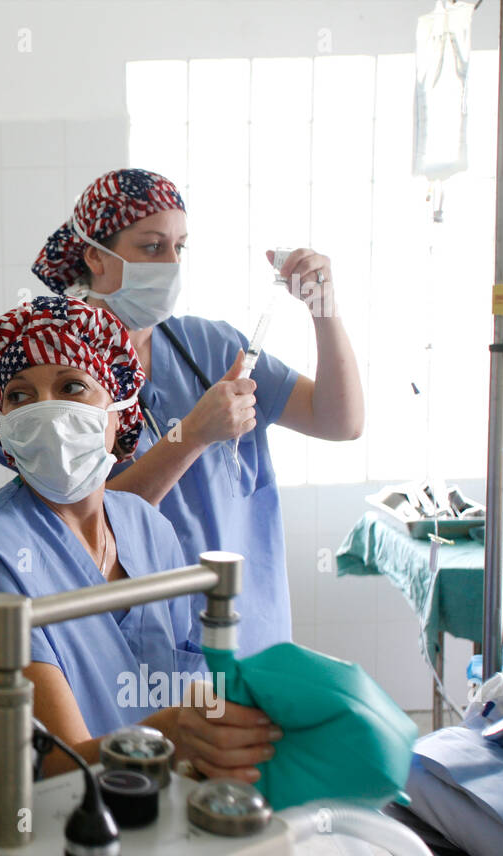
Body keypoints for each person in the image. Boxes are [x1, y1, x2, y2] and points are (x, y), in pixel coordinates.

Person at [0, 295, 283, 779]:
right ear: (3, 427)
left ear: (120, 413)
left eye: (72, 386)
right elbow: (58, 764)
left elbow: (185, 681)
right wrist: (179, 731)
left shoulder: (146, 527)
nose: (47, 411)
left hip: (154, 817)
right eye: (19, 395)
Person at [30, 168, 364, 655]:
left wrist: (324, 308)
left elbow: (341, 422)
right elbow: (79, 523)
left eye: (179, 247)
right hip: (138, 645)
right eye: (151, 247)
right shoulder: (59, 373)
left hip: (249, 631)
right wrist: (193, 435)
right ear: (95, 258)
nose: (170, 264)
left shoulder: (211, 346)